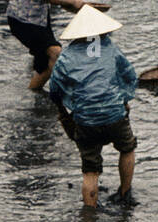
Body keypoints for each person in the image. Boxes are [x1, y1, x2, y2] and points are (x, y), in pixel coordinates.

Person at [47, 6, 138, 208]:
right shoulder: (110, 49)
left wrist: (66, 110)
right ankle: (125, 194)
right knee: (127, 148)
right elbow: (130, 76)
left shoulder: (66, 56)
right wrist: (123, 100)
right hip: (115, 115)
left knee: (90, 171)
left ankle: (89, 219)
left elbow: (55, 90)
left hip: (86, 121)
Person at [5, 1, 106, 91]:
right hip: (23, 20)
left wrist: (79, 6)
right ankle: (55, 94)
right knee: (55, 53)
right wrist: (75, 3)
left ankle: (34, 91)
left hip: (39, 18)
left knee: (45, 60)